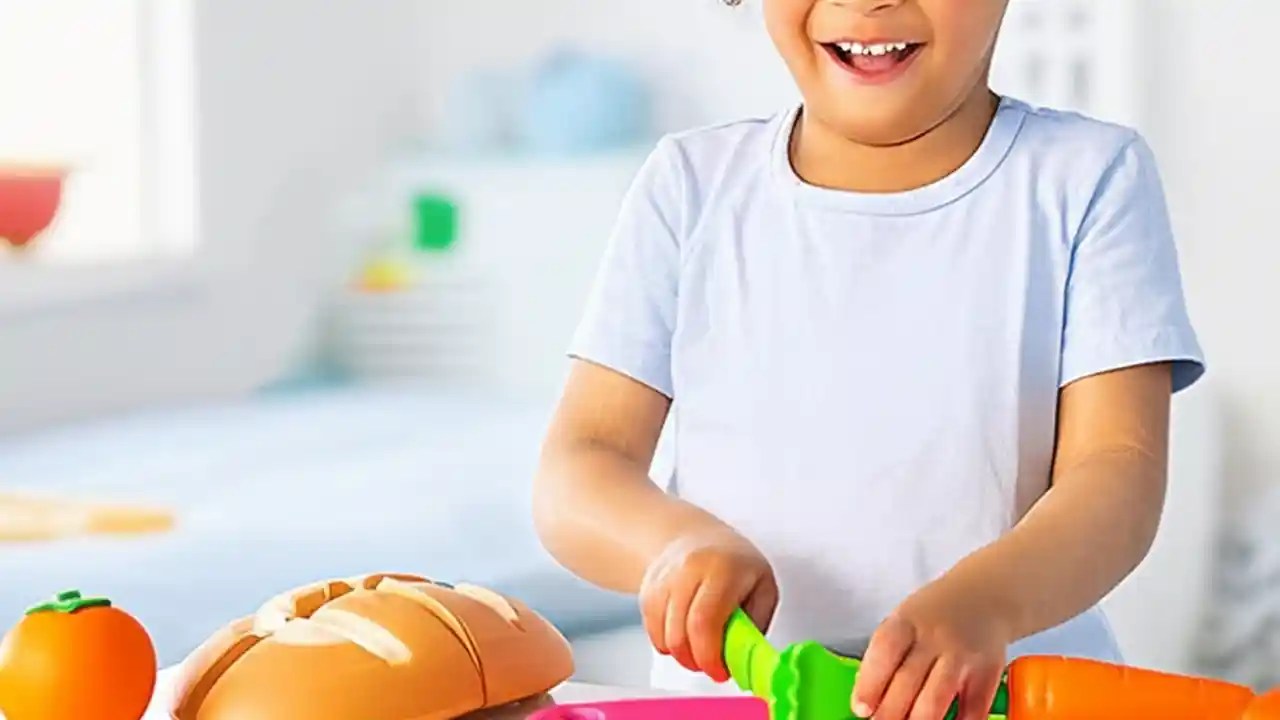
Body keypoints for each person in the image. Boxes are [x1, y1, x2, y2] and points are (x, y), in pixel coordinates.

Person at [532, 1, 1204, 718]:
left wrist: (987, 603)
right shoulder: (690, 185)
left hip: (1006, 699)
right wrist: (670, 545)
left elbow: (1116, 473)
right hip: (737, 704)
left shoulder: (1088, 178)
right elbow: (581, 465)